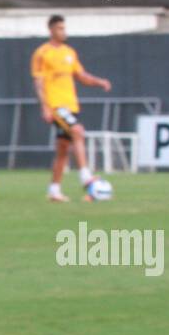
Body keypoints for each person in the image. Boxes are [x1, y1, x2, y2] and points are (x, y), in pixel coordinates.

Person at [31, 15, 112, 202]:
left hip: (70, 105)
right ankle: (85, 176)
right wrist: (45, 107)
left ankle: (54, 190)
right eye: (59, 28)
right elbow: (39, 82)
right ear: (51, 30)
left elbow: (80, 75)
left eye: (64, 28)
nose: (63, 32)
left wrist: (99, 82)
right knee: (77, 130)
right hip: (56, 106)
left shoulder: (69, 52)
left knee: (63, 149)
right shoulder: (42, 53)